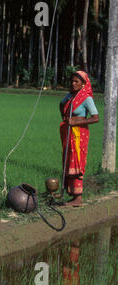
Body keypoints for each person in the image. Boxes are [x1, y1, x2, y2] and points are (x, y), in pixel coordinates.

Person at [59, 71, 99, 207]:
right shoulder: (70, 95)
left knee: (77, 162)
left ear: (83, 84)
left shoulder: (86, 98)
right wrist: (65, 119)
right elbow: (61, 104)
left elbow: (95, 118)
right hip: (68, 132)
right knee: (68, 161)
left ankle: (78, 198)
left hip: (79, 134)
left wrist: (76, 122)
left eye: (76, 81)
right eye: (72, 81)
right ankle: (70, 193)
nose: (73, 83)